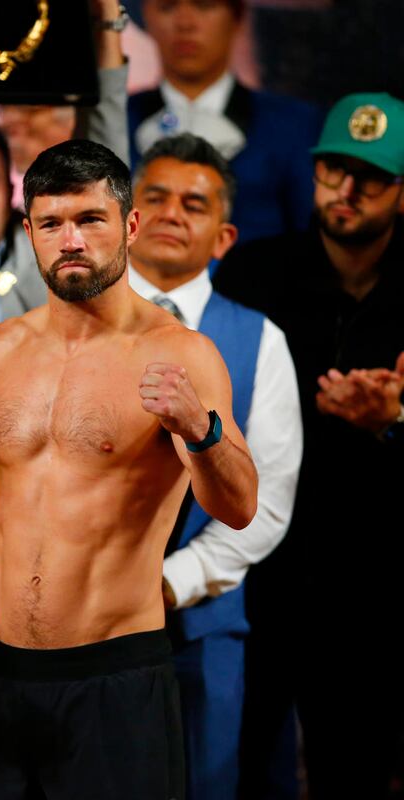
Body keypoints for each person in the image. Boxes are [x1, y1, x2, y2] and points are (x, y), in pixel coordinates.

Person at [0, 139, 259, 799]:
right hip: (3, 677)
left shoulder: (181, 353)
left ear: (129, 226)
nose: (70, 240)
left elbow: (240, 507)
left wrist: (202, 430)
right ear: (29, 233)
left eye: (90, 220)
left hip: (117, 679)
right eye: (51, 223)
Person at [213, 92, 404, 800]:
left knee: (353, 771)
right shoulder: (255, 273)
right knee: (230, 767)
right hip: (257, 571)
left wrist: (393, 418)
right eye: (333, 169)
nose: (346, 190)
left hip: (374, 586)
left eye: (371, 178)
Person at [127, 133, 302, 800]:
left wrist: (169, 583)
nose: (172, 213)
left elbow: (269, 503)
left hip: (202, 631)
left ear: (224, 237)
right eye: (156, 197)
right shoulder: (68, 325)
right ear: (129, 219)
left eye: (194, 204)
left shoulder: (262, 341)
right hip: (75, 631)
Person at [128, 0, 322, 244]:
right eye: (167, 7)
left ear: (237, 16)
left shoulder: (292, 126)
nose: (185, 23)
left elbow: (310, 239)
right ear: (145, 15)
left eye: (204, 6)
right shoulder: (116, 122)